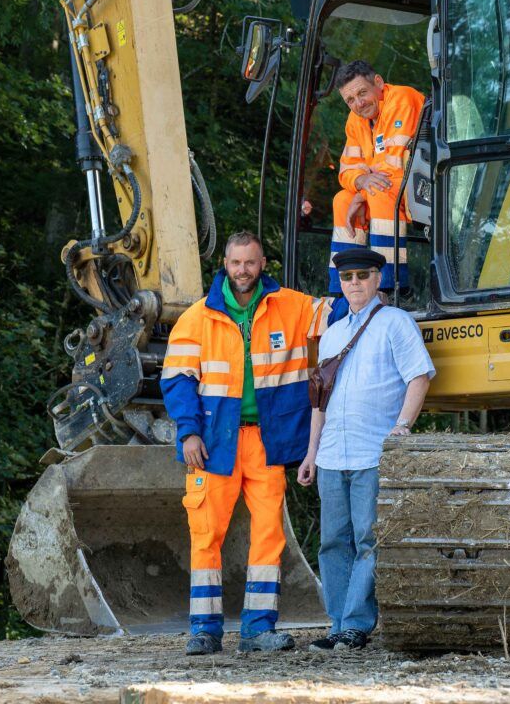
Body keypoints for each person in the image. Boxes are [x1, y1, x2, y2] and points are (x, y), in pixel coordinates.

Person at [160, 230, 334, 656]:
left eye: (251, 262)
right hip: (214, 443)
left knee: (269, 534)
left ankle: (258, 628)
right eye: (236, 263)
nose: (243, 271)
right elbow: (177, 380)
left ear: (263, 264)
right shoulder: (196, 318)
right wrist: (188, 432)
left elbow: (345, 307)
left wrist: (365, 275)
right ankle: (204, 630)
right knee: (206, 532)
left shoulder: (291, 306)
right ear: (225, 263)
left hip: (267, 442)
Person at [297, 247, 435, 650]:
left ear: (379, 278)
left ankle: (357, 624)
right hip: (331, 456)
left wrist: (402, 428)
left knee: (368, 541)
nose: (354, 283)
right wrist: (310, 454)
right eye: (347, 277)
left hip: (372, 453)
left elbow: (419, 377)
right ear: (339, 283)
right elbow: (319, 402)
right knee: (331, 543)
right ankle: (338, 623)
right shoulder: (334, 334)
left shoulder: (396, 322)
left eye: (362, 276)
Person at [328, 61, 425, 295]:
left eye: (362, 93)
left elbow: (395, 166)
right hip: (388, 191)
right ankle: (343, 287)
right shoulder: (355, 120)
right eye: (350, 100)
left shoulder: (402, 98)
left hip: (422, 187)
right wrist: (360, 183)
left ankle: (391, 286)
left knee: (378, 190)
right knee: (342, 200)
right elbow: (348, 169)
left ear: (379, 83)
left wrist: (362, 193)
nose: (358, 104)